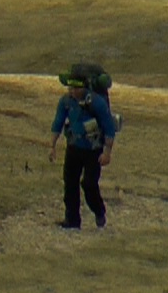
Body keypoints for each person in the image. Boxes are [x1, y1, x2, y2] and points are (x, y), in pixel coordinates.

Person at [47, 66, 117, 230]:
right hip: (74, 147)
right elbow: (57, 123)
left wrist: (107, 152)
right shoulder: (65, 102)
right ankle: (72, 220)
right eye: (70, 88)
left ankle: (99, 211)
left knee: (89, 184)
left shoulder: (97, 103)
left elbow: (109, 127)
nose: (72, 91)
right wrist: (52, 146)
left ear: (84, 87)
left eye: (76, 88)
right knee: (70, 183)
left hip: (93, 150)